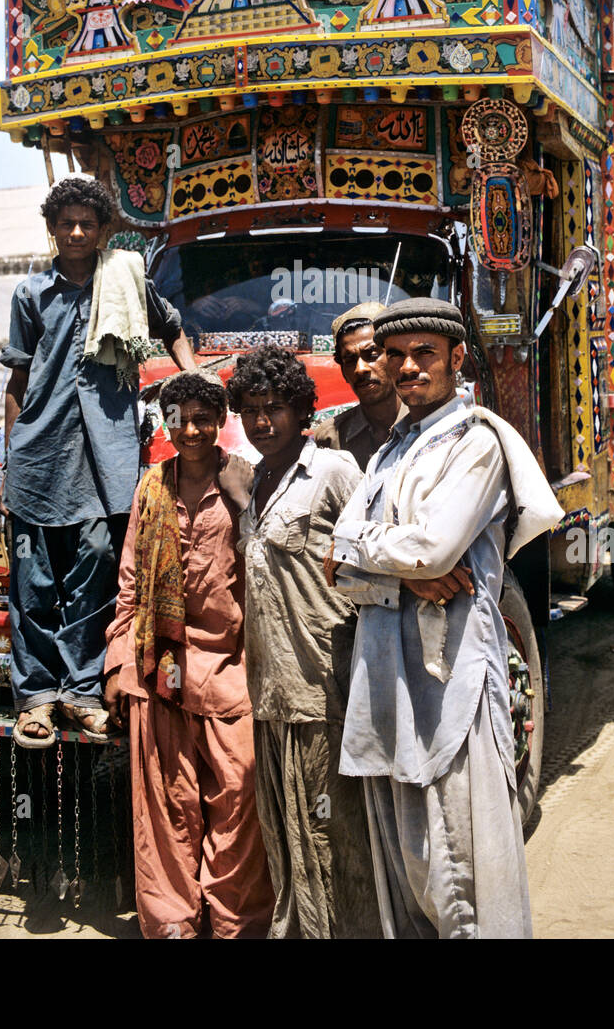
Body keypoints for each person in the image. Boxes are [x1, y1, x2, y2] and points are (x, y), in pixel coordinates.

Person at [326, 298, 564, 939]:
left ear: (457, 359)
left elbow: (431, 547)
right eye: (394, 355)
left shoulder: (477, 443)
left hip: (450, 679)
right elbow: (338, 564)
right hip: (386, 680)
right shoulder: (388, 452)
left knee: (464, 871)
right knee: (411, 871)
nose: (406, 367)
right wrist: (405, 573)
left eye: (423, 353)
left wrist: (380, 557)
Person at [0, 176, 197, 748]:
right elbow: (16, 379)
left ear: (105, 228)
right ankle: (35, 698)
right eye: (67, 224)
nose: (78, 232)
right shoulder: (29, 293)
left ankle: (83, 693)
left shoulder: (128, 278)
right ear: (52, 229)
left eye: (89, 223)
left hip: (108, 451)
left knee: (95, 570)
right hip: (41, 452)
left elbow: (173, 327)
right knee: (34, 580)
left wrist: (191, 379)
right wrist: (10, 456)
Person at [103, 372, 273, 939]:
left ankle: (236, 923)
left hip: (232, 668)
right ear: (166, 424)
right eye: (180, 417)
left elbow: (267, 577)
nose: (193, 428)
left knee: (239, 797)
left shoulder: (243, 481)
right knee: (168, 805)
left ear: (221, 421)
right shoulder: (151, 487)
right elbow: (130, 584)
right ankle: (174, 920)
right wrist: (122, 663)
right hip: (163, 670)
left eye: (205, 417)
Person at [226, 344, 381, 939]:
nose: (262, 422)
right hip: (271, 693)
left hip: (326, 691)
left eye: (275, 409)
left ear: (300, 410)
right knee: (286, 835)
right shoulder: (257, 478)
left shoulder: (336, 471)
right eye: (251, 410)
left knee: (336, 836)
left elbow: (376, 550)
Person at [314, 301, 407, 471]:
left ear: (395, 358)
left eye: (371, 355)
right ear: (342, 371)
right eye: (349, 360)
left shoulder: (426, 423)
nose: (360, 369)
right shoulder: (330, 438)